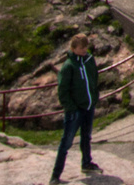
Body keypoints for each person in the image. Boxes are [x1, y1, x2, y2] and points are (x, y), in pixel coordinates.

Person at [50, 34, 100, 183]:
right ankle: (55, 175)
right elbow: (63, 91)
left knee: (86, 137)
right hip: (75, 110)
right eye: (81, 48)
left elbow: (94, 78)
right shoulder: (68, 66)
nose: (84, 50)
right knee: (66, 142)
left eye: (86, 47)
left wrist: (94, 96)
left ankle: (86, 163)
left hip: (88, 106)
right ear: (73, 49)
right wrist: (71, 108)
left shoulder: (89, 60)